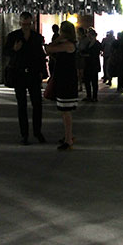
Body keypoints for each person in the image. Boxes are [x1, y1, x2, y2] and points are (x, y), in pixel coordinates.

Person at [3, 12, 48, 145]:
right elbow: (6, 52)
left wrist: (43, 72)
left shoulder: (36, 37)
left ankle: (37, 132)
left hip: (33, 74)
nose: (26, 27)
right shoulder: (13, 36)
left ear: (32, 23)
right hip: (19, 74)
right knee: (21, 105)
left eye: (28, 24)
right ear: (20, 23)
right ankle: (24, 134)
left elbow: (40, 56)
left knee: (37, 104)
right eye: (24, 24)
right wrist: (14, 49)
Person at [46, 21, 78, 150]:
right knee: (64, 111)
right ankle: (67, 136)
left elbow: (48, 49)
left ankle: (68, 139)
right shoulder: (67, 44)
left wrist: (58, 39)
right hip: (64, 79)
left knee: (66, 111)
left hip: (67, 80)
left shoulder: (68, 45)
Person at [80, 28, 102, 102]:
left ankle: (95, 97)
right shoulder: (88, 43)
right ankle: (88, 95)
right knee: (87, 81)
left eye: (90, 35)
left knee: (94, 82)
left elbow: (94, 54)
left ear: (94, 35)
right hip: (88, 64)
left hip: (94, 64)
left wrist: (85, 55)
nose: (89, 37)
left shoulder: (97, 44)